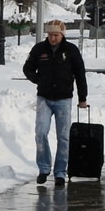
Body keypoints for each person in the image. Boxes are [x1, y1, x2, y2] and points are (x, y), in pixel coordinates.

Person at [22, 19, 88, 186]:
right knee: (41, 133)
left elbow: (80, 74)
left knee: (63, 137)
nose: (52, 38)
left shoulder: (71, 50)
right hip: (44, 98)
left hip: (64, 99)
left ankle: (60, 172)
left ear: (62, 35)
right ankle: (44, 169)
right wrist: (38, 80)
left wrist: (82, 98)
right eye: (50, 35)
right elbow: (27, 68)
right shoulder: (39, 49)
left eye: (56, 35)